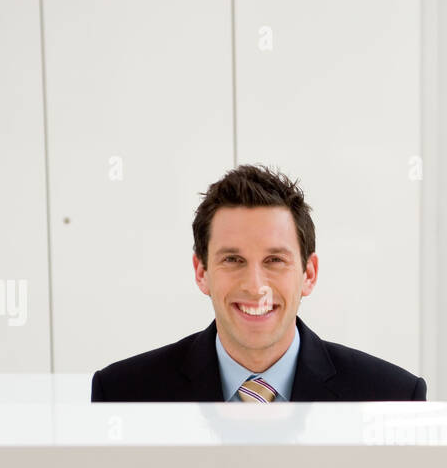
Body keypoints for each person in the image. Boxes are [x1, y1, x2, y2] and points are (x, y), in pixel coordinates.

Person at [90, 164, 426, 403]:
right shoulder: (123, 395)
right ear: (201, 272)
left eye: (275, 260)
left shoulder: (392, 398)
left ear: (309, 274)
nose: (255, 286)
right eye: (233, 260)